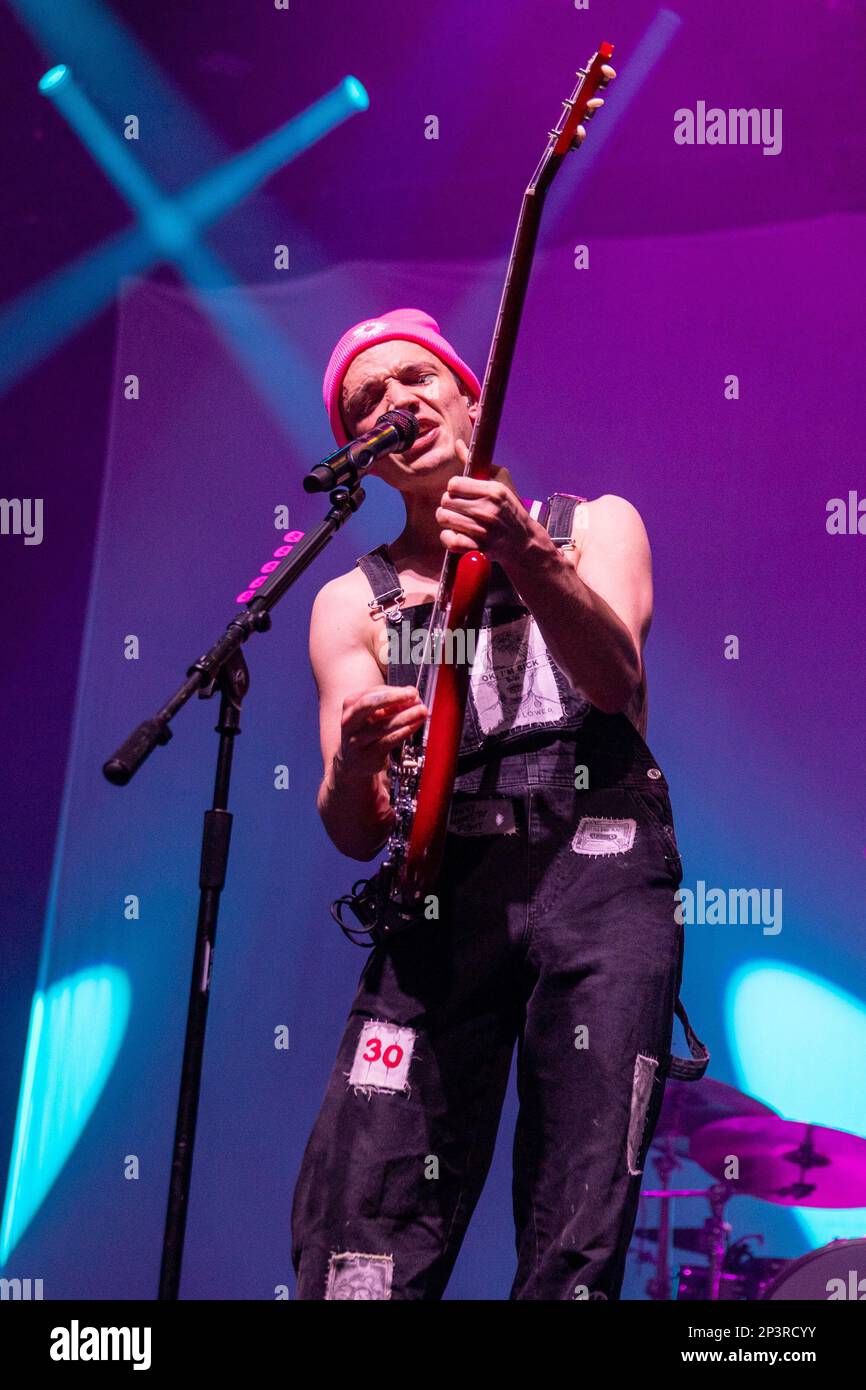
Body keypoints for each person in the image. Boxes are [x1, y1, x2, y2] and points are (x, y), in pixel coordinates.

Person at [290, 305, 708, 1301]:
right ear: (361, 454)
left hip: (596, 868)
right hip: (442, 894)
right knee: (368, 1200)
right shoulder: (351, 602)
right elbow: (353, 832)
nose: (393, 404)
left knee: (578, 1197)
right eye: (364, 404)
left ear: (468, 397)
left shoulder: (595, 523)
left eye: (412, 382)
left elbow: (609, 678)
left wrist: (523, 549)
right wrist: (354, 763)